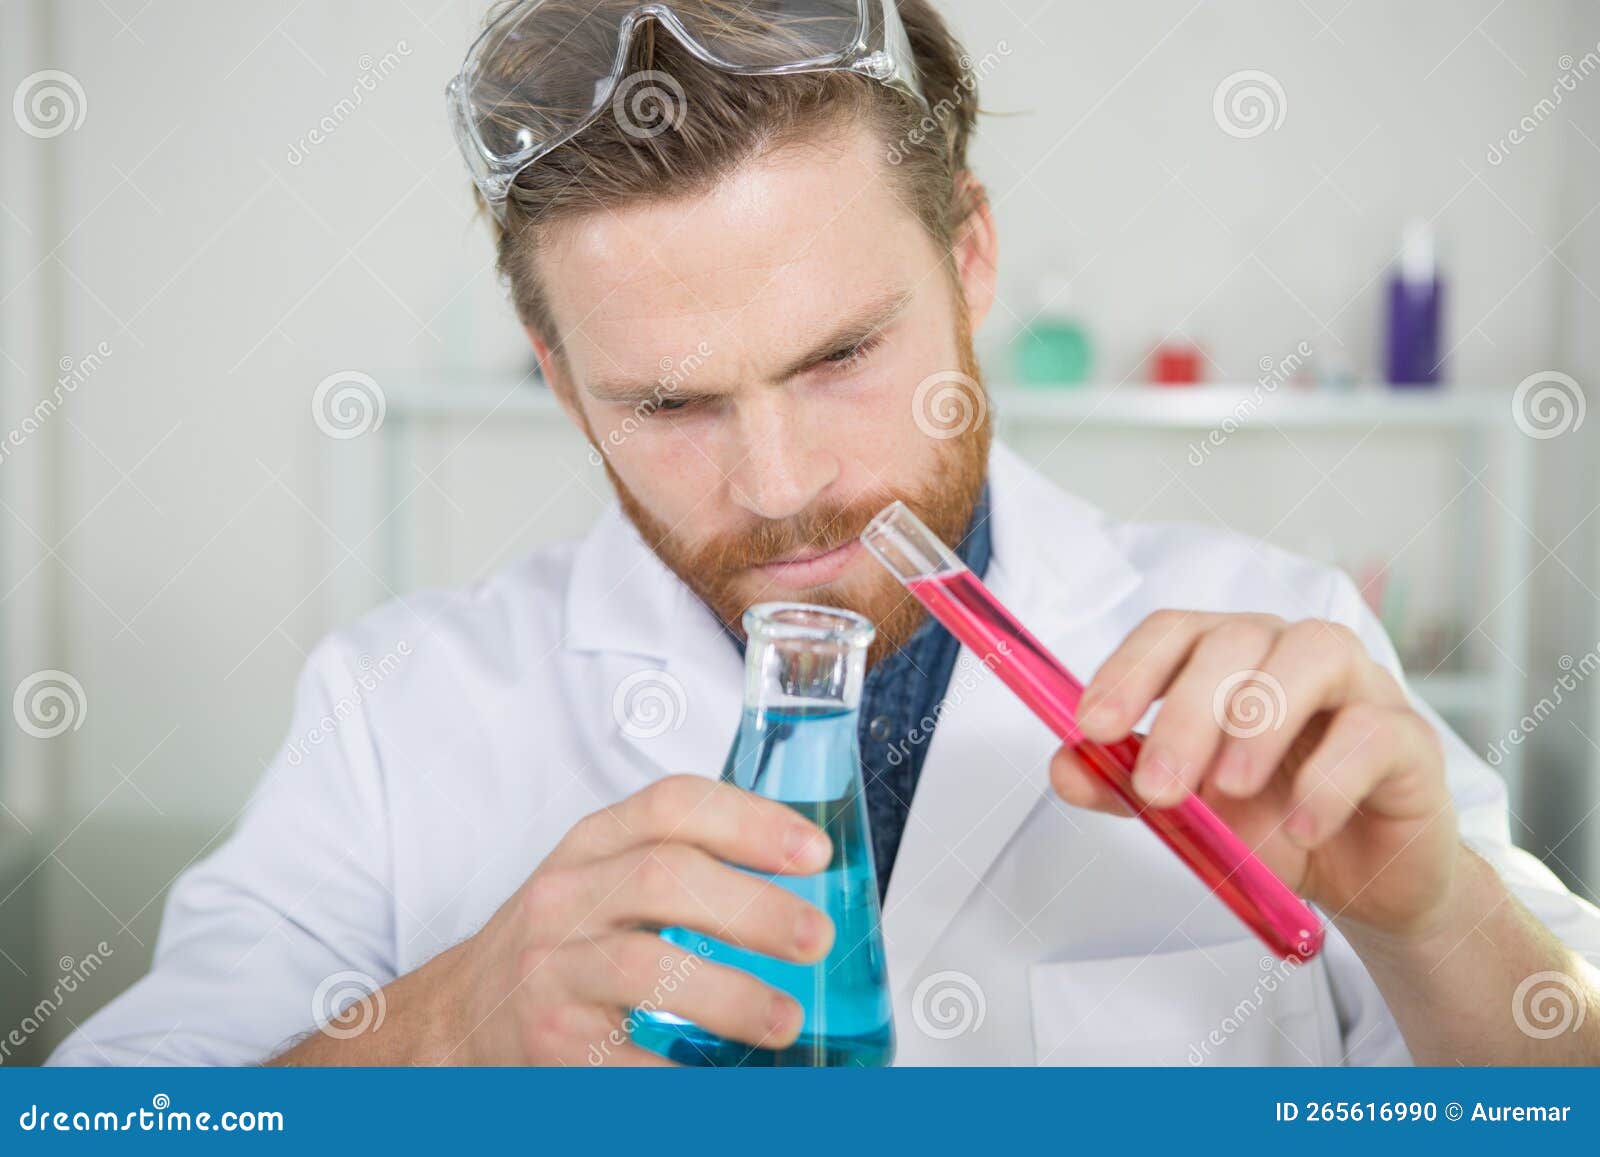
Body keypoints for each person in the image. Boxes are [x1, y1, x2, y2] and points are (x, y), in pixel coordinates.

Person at [52, 0, 1600, 1067]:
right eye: (668, 403)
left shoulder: (1278, 633)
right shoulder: (396, 711)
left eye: (841, 356)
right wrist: (446, 1025)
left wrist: (1435, 915)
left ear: (972, 255)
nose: (783, 483)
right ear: (559, 380)